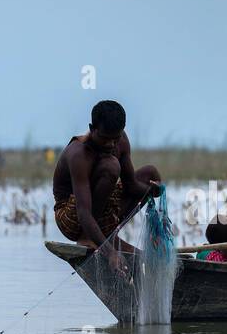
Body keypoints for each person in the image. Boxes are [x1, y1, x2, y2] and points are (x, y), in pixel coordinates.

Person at [52, 100, 161, 255]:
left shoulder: (121, 141)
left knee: (150, 173)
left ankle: (108, 237)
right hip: (72, 217)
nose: (110, 144)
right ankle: (89, 238)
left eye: (115, 138)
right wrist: (110, 254)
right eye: (104, 138)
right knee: (111, 166)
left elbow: (131, 185)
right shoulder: (79, 154)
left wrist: (153, 190)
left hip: (100, 211)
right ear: (92, 129)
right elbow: (83, 212)